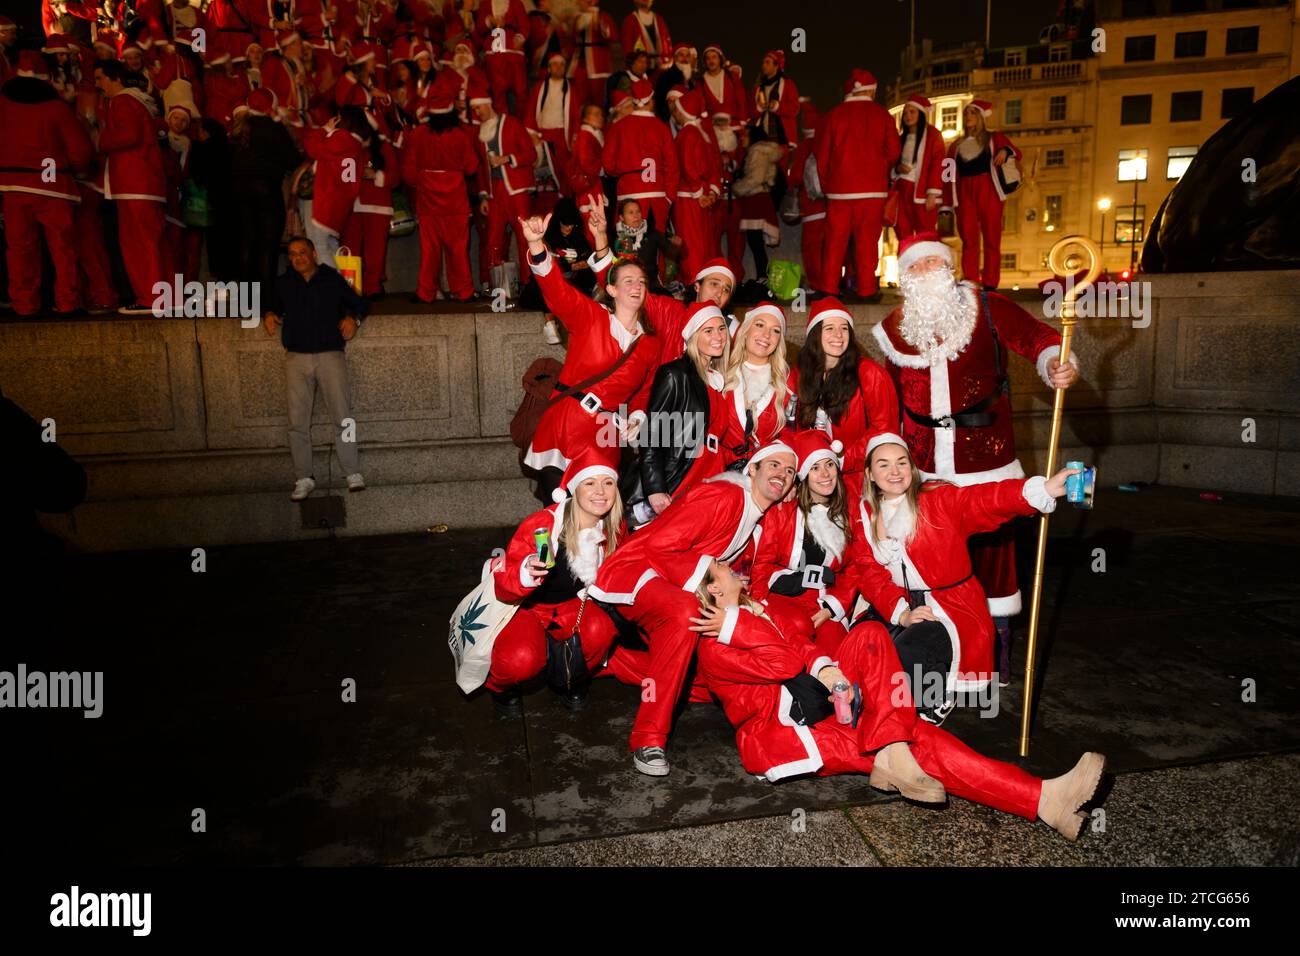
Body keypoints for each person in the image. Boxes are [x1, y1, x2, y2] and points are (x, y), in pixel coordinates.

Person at [690, 559, 1108, 841]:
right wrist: (734, 625)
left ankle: (892, 747)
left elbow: (799, 644)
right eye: (726, 567)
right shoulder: (715, 645)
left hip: (821, 700)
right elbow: (781, 662)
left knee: (870, 636)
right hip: (792, 732)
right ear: (713, 586)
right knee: (920, 739)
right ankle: (1043, 799)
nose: (738, 568)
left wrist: (827, 669)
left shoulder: (759, 610)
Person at [872, 233, 1079, 680]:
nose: (926, 272)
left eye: (933, 263)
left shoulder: (987, 307)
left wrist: (1054, 363)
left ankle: (996, 654)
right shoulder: (894, 329)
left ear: (950, 266)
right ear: (904, 276)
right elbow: (891, 399)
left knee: (994, 558)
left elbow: (1036, 337)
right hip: (924, 466)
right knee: (932, 558)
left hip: (987, 459)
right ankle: (937, 651)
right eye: (915, 267)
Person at [589, 441, 798, 776]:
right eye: (774, 465)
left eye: (789, 472)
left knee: (709, 669)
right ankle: (648, 738)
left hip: (677, 586)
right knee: (688, 613)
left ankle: (609, 661)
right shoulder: (725, 497)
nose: (782, 474)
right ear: (753, 469)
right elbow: (659, 546)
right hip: (636, 571)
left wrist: (745, 609)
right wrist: (713, 574)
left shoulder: (756, 520)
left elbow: (745, 576)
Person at [851, 432, 1081, 711]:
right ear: (870, 474)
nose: (895, 471)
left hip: (950, 607)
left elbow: (986, 499)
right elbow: (868, 573)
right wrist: (900, 612)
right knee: (865, 655)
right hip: (896, 605)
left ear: (912, 468)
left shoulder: (938, 499)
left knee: (908, 656)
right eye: (884, 464)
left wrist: (1042, 490)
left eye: (902, 462)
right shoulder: (864, 514)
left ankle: (923, 716)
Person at [518, 212, 659, 497]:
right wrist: (536, 245)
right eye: (628, 281)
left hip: (604, 436)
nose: (636, 287)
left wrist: (638, 416)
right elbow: (557, 292)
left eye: (641, 282)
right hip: (566, 426)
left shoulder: (650, 345)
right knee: (559, 515)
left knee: (599, 521)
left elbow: (644, 390)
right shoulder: (592, 317)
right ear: (611, 289)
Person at [487, 449, 624, 715]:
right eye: (590, 483)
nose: (600, 491)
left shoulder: (613, 526)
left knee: (602, 630)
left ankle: (574, 675)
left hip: (573, 606)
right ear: (574, 489)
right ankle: (501, 686)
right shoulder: (544, 525)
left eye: (607, 483)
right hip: (525, 607)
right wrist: (525, 572)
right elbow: (501, 581)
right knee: (521, 659)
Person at [263, 236, 369, 501]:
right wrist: (268, 313)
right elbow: (270, 304)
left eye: (302, 252)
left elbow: (360, 303)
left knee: (343, 418)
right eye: (292, 254)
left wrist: (352, 318)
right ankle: (303, 477)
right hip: (296, 358)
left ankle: (353, 472)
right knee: (297, 422)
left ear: (312, 253)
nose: (297, 258)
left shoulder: (330, 279)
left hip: (330, 355)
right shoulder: (283, 283)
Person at [0, 50, 93, 317]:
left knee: (18, 249)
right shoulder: (56, 108)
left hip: (12, 186)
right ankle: (68, 302)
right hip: (52, 185)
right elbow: (80, 152)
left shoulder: (3, 105)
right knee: (63, 248)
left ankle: (24, 305)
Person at [624, 301, 732, 530]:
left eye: (721, 329)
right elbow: (653, 434)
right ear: (693, 335)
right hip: (679, 477)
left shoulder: (717, 380)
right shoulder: (675, 374)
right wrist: (655, 488)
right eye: (708, 330)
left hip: (708, 478)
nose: (718, 336)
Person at [750, 430, 859, 655]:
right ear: (804, 474)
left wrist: (833, 606)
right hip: (782, 597)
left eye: (829, 464)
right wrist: (757, 607)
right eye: (815, 468)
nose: (825, 474)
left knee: (838, 651)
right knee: (798, 637)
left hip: (824, 601)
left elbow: (856, 567)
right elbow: (762, 563)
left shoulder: (850, 511)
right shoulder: (784, 510)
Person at [789, 297, 899, 500]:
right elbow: (791, 430)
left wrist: (842, 460)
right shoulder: (798, 376)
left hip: (859, 482)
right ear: (815, 334)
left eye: (844, 328)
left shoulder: (870, 374)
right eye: (829, 328)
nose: (838, 335)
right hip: (813, 481)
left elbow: (884, 431)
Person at [93, 58, 170, 315]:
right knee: (155, 242)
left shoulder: (122, 102)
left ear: (115, 78)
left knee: (138, 243)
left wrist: (100, 140)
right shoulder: (142, 103)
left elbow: (129, 135)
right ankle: (165, 296)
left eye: (100, 78)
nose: (97, 85)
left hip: (133, 183)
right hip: (148, 183)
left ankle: (150, 297)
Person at [814, 68, 897, 302]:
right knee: (866, 243)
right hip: (872, 191)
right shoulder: (882, 116)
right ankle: (866, 289)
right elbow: (894, 152)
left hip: (839, 191)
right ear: (870, 91)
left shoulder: (833, 115)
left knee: (834, 242)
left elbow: (821, 157)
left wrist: (826, 186)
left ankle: (829, 288)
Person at [402, 79, 480, 303]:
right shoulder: (460, 136)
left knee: (429, 251)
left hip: (428, 203)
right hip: (455, 202)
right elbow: (472, 167)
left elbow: (408, 172)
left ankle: (425, 293)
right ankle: (464, 291)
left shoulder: (417, 135)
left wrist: (425, 181)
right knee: (458, 250)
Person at [229, 87, 301, 304]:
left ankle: (244, 299)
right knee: (267, 245)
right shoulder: (273, 128)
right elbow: (293, 159)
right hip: (266, 190)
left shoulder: (237, 130)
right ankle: (266, 299)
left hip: (239, 192)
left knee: (246, 242)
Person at [941, 98, 1021, 290]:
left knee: (992, 237)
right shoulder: (955, 145)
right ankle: (970, 279)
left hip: (989, 188)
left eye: (972, 113)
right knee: (968, 237)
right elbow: (947, 174)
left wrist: (1004, 150)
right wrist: (946, 202)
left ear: (980, 117)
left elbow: (1016, 152)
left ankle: (991, 281)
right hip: (964, 191)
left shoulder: (993, 138)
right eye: (966, 113)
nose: (968, 116)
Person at [473, 79, 536, 298]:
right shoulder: (480, 134)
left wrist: (507, 158)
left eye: (478, 107)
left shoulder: (512, 124)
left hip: (516, 190)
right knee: (493, 240)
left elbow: (531, 154)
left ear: (488, 104)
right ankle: (498, 287)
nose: (476, 112)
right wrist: (483, 196)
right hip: (494, 193)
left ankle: (529, 282)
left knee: (524, 237)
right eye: (474, 108)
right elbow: (481, 168)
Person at [601, 78, 677, 247]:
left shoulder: (619, 127)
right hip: (657, 193)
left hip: (628, 192)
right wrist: (669, 198)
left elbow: (607, 164)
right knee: (657, 248)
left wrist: (622, 173)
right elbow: (672, 166)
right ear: (652, 100)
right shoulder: (661, 127)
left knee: (627, 247)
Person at [720, 301, 790, 466]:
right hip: (722, 473)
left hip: (767, 475)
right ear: (745, 331)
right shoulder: (721, 373)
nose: (766, 335)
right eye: (759, 325)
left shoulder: (787, 382)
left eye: (775, 331)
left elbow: (793, 435)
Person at [302, 107, 370, 264]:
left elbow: (313, 147)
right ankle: (338, 285)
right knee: (331, 247)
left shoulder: (342, 138)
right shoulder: (357, 145)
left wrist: (325, 129)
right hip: (339, 203)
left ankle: (333, 287)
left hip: (326, 201)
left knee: (319, 248)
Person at [670, 87, 722, 283]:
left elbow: (687, 165)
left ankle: (693, 283)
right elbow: (717, 165)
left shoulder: (686, 134)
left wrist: (699, 192)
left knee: (691, 245)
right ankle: (706, 282)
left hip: (690, 198)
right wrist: (712, 192)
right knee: (705, 243)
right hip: (705, 198)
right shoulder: (705, 133)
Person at [730, 123, 784, 282]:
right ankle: (763, 275)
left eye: (745, 135)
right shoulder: (763, 151)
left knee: (755, 242)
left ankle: (763, 276)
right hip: (760, 198)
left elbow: (755, 178)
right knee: (756, 243)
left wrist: (736, 188)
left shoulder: (757, 151)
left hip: (756, 198)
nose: (743, 139)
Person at [523, 52, 580, 200]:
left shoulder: (571, 89)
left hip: (562, 136)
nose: (559, 67)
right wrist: (531, 134)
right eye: (555, 64)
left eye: (562, 65)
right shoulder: (539, 88)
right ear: (549, 68)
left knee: (563, 170)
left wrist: (575, 136)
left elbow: (575, 115)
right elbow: (531, 110)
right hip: (542, 135)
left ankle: (564, 198)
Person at [890, 93, 944, 240]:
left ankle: (927, 262)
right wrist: (897, 169)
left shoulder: (933, 135)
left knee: (925, 233)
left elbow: (937, 164)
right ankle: (905, 262)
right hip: (901, 191)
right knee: (902, 233)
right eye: (905, 113)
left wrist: (932, 193)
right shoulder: (900, 139)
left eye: (912, 112)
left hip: (921, 191)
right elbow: (891, 164)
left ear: (920, 113)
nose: (908, 116)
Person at [475, 0, 529, 116]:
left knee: (520, 91)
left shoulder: (516, 3)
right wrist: (489, 21)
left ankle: (521, 125)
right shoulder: (485, 3)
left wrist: (519, 38)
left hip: (513, 51)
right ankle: (502, 125)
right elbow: (480, 27)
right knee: (497, 92)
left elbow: (524, 25)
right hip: (494, 52)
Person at [566, 0, 615, 108]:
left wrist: (597, 19)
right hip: (579, 64)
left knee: (599, 100)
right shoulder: (578, 19)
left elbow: (610, 36)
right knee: (577, 99)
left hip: (597, 65)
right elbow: (573, 42)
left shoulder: (603, 16)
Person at [751, 50, 797, 148]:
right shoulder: (758, 88)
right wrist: (759, 108)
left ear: (776, 65)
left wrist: (777, 107)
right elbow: (750, 111)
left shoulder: (788, 85)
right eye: (763, 62)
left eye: (767, 62)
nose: (764, 65)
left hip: (780, 138)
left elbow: (794, 109)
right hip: (761, 137)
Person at [697, 43, 746, 131]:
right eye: (708, 58)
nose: (711, 61)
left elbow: (741, 100)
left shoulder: (732, 76)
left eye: (714, 57)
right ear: (705, 62)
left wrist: (742, 121)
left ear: (720, 59)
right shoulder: (700, 82)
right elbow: (700, 106)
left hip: (734, 127)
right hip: (713, 129)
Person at [621, 0, 671, 76]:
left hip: (661, 67)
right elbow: (627, 47)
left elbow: (667, 42)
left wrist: (669, 59)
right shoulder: (630, 20)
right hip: (642, 67)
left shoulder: (659, 19)